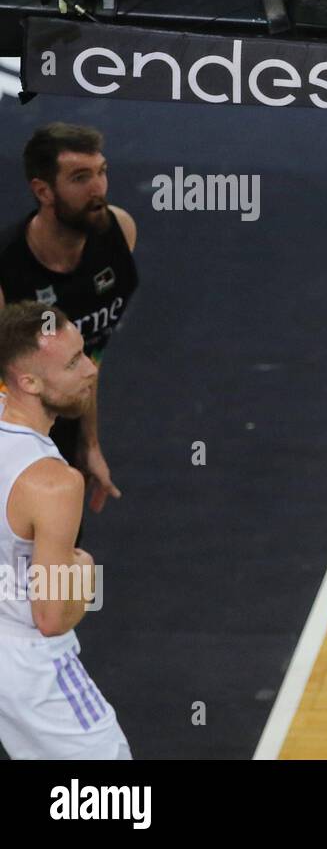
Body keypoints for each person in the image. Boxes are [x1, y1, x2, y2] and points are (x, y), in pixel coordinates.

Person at [0, 301, 131, 758]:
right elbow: (52, 617)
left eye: (84, 353)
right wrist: (86, 572)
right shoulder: (55, 483)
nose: (91, 371)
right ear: (29, 382)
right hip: (28, 668)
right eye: (73, 362)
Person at [0, 123, 139, 513]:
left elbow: (88, 354)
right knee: (57, 562)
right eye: (80, 178)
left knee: (63, 555)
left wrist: (88, 443)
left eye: (101, 172)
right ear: (43, 190)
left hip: (57, 425)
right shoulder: (7, 271)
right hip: (11, 438)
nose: (98, 189)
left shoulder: (118, 234)